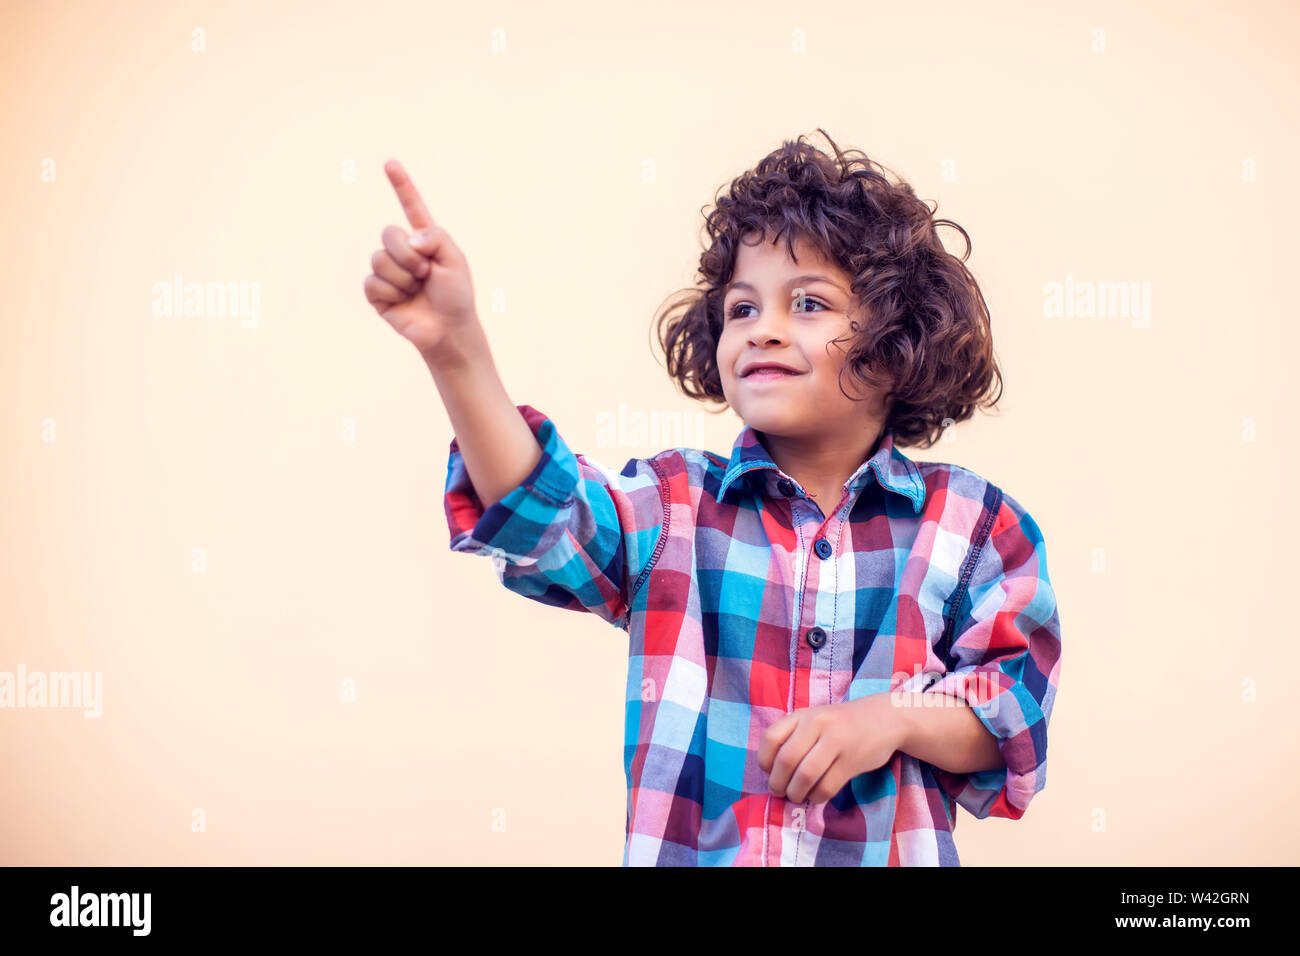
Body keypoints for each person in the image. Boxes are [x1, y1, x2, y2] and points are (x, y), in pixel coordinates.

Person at [363, 129, 1062, 866]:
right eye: (741, 309)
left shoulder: (975, 525)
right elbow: (541, 515)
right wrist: (457, 349)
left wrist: (889, 719)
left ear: (898, 342)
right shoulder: (673, 508)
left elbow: (1012, 707)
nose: (764, 330)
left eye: (810, 303)